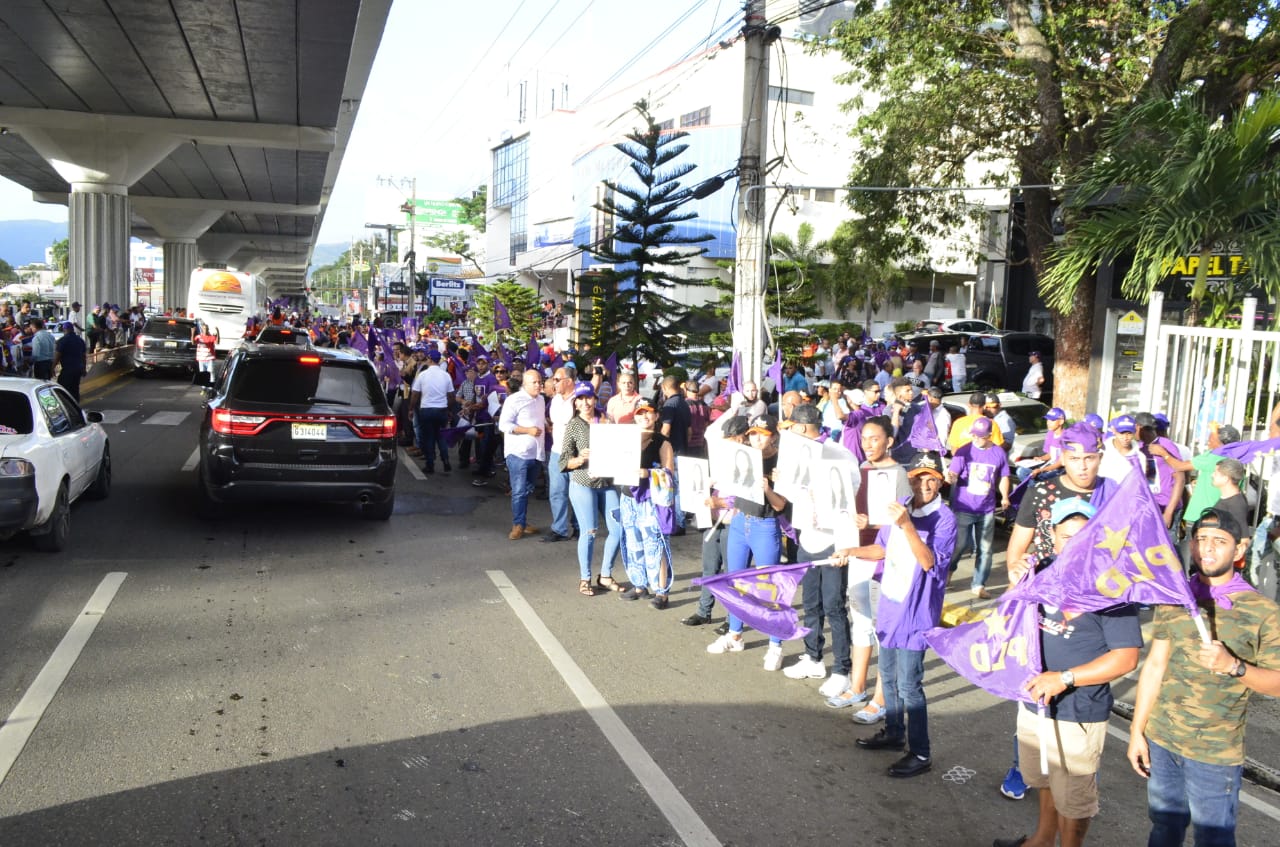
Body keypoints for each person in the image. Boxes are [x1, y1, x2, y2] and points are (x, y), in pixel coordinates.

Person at [993, 497, 1142, 847]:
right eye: (1065, 536)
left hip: (1078, 712)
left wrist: (1064, 679)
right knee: (1044, 779)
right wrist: (1016, 584)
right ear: (1053, 536)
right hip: (1034, 701)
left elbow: (1126, 658)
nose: (1073, 545)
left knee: (1074, 799)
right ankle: (1043, 839)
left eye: (1082, 536)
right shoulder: (1042, 570)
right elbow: (1007, 622)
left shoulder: (1112, 586)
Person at [1127, 508, 1280, 847]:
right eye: (1200, 540)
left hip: (1215, 754)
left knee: (1214, 838)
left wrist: (1234, 666)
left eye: (1219, 541)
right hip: (1162, 741)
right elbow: (1155, 665)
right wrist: (1137, 730)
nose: (1207, 549)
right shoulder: (1177, 598)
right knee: (1163, 829)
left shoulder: (1262, 613)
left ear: (1239, 549)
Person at [837, 449, 956, 778]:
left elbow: (929, 562)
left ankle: (920, 753)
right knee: (887, 675)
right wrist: (850, 551)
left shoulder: (945, 519)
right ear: (910, 479)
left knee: (909, 685)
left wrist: (907, 525)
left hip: (916, 611)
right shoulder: (901, 506)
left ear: (941, 483)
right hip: (890, 602)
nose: (924, 485)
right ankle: (893, 733)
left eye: (932, 479)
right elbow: (882, 548)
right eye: (918, 478)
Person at [784, 405, 859, 698]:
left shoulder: (839, 453)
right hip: (807, 537)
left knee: (834, 606)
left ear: (803, 427)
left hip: (832, 540)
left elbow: (850, 492)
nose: (790, 431)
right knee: (810, 603)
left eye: (793, 426)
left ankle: (842, 670)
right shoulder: (796, 452)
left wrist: (823, 494)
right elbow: (792, 492)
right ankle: (812, 657)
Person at [707, 414, 790, 667]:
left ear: (773, 437)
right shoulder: (742, 454)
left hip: (765, 525)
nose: (756, 439)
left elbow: (781, 505)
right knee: (735, 582)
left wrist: (768, 489)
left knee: (769, 587)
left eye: (762, 435)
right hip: (740, 521)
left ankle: (775, 645)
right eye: (753, 434)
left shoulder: (781, 462)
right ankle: (735, 634)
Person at [683, 415, 750, 627]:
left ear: (741, 438)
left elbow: (747, 496)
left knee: (733, 572)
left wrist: (720, 501)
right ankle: (704, 610)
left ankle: (733, 619)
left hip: (734, 523)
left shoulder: (750, 461)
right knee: (709, 567)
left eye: (732, 438)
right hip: (713, 520)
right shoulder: (723, 457)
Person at [559, 382, 623, 596]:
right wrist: (580, 458)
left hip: (606, 483)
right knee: (590, 531)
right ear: (576, 403)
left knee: (618, 530)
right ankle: (585, 578)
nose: (585, 402)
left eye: (589, 398)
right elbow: (564, 461)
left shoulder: (607, 420)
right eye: (581, 399)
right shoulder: (574, 425)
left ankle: (605, 575)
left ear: (595, 399)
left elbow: (621, 449)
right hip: (583, 483)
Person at [617, 400, 676, 608]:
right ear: (634, 416)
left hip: (650, 500)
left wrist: (648, 473)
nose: (644, 417)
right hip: (627, 497)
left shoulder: (662, 441)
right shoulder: (625, 438)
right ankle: (639, 584)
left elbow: (669, 475)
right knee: (633, 542)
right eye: (640, 413)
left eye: (649, 412)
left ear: (656, 416)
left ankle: (661, 592)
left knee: (655, 544)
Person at [946, 416, 1011, 599]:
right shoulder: (964, 451)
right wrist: (950, 477)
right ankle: (949, 571)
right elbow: (953, 472)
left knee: (985, 549)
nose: (976, 439)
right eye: (974, 435)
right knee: (959, 545)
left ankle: (979, 584)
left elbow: (1004, 477)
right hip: (964, 506)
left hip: (986, 509)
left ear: (989, 435)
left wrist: (1005, 496)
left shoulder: (998, 453)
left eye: (980, 436)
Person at [498, 369, 548, 539]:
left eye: (540, 382)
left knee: (527, 489)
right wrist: (527, 430)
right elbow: (504, 425)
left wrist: (546, 424)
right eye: (534, 382)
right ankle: (518, 525)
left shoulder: (541, 399)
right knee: (519, 491)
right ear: (525, 384)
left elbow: (539, 417)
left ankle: (523, 521)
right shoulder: (514, 400)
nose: (538, 385)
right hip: (517, 453)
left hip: (536, 453)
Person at [543, 367, 577, 543]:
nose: (553, 382)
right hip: (557, 451)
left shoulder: (580, 399)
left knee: (578, 493)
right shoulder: (555, 399)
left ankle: (579, 527)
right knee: (556, 492)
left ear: (569, 381)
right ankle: (559, 529)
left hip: (575, 454)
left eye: (557, 379)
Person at [409, 349, 454, 475]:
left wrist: (411, 409)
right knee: (441, 437)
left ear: (429, 359)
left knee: (428, 438)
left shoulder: (423, 375)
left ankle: (430, 464)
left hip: (427, 409)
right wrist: (449, 410)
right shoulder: (445, 375)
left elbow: (415, 394)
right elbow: (451, 396)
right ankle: (445, 460)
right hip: (441, 410)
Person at [53, 321, 86, 401]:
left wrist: (52, 367)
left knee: (63, 389)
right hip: (78, 369)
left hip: (67, 370)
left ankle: (66, 405)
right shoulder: (80, 340)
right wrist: (84, 369)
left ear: (64, 330)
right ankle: (75, 405)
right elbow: (83, 356)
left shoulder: (63, 340)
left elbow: (57, 356)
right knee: (75, 389)